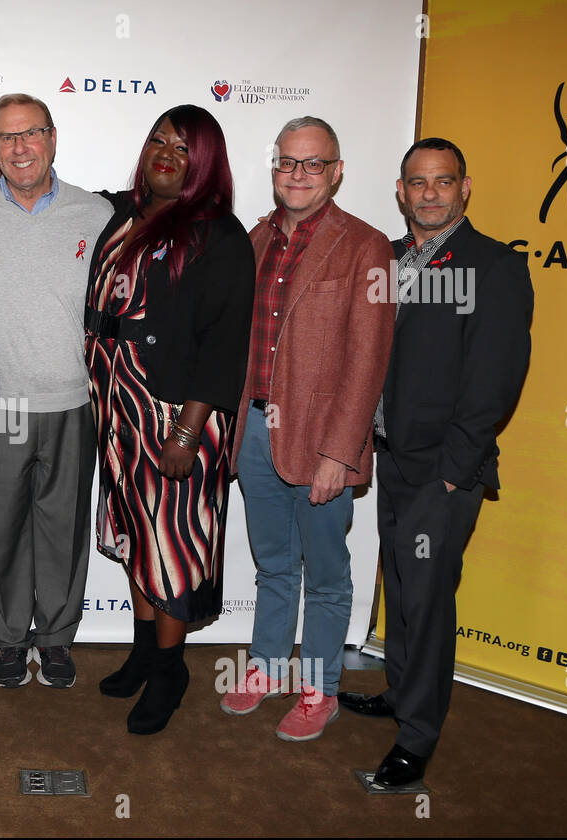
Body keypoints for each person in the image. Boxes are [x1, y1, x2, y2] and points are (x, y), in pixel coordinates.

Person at [341, 138, 532, 786]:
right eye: (417, 183)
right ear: (400, 191)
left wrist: (451, 473)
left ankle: (416, 739)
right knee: (401, 588)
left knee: (426, 603)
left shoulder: (493, 267)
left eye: (442, 182)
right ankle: (400, 693)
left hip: (443, 474)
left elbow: (493, 387)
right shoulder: (389, 261)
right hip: (393, 460)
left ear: (464, 188)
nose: (429, 194)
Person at [220, 116, 395, 742]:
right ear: (274, 169)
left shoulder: (365, 246)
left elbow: (367, 360)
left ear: (337, 171)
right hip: (255, 433)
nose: (297, 174)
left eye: (312, 164)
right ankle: (268, 666)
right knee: (272, 564)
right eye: (287, 162)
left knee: (325, 575)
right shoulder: (257, 235)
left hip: (325, 443)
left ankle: (320, 688)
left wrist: (340, 453)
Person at [84, 105, 255, 734]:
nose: (166, 154)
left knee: (172, 547)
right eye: (158, 140)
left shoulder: (220, 236)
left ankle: (171, 670)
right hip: (121, 414)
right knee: (137, 538)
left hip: (177, 418)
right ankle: (142, 650)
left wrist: (186, 430)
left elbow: (224, 344)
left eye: (183, 149)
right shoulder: (126, 214)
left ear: (205, 163)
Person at [0, 93, 113, 689]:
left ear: (53, 137)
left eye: (30, 133)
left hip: (74, 401)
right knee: (2, 529)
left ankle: (58, 639)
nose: (19, 148)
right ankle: (11, 640)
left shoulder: (95, 214)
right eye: (5, 138)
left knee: (63, 530)